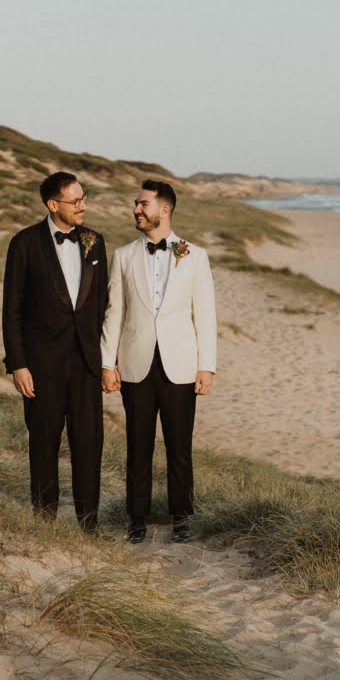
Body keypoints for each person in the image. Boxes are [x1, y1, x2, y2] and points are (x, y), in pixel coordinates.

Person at [101, 179, 216, 543]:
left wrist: (206, 366)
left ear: (164, 210)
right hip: (135, 364)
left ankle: (182, 519)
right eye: (136, 204)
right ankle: (136, 520)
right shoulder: (122, 256)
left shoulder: (195, 255)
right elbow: (113, 313)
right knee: (138, 447)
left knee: (179, 448)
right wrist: (107, 362)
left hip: (180, 366)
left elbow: (206, 314)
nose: (136, 209)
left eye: (143, 204)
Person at [1, 171, 107, 532]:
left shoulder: (95, 241)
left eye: (84, 198)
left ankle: (88, 524)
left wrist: (106, 360)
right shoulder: (24, 243)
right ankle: (44, 522)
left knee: (89, 445)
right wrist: (18, 364)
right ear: (53, 205)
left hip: (86, 364)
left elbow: (101, 304)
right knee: (44, 444)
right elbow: (11, 309)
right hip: (41, 366)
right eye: (75, 201)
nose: (83, 206)